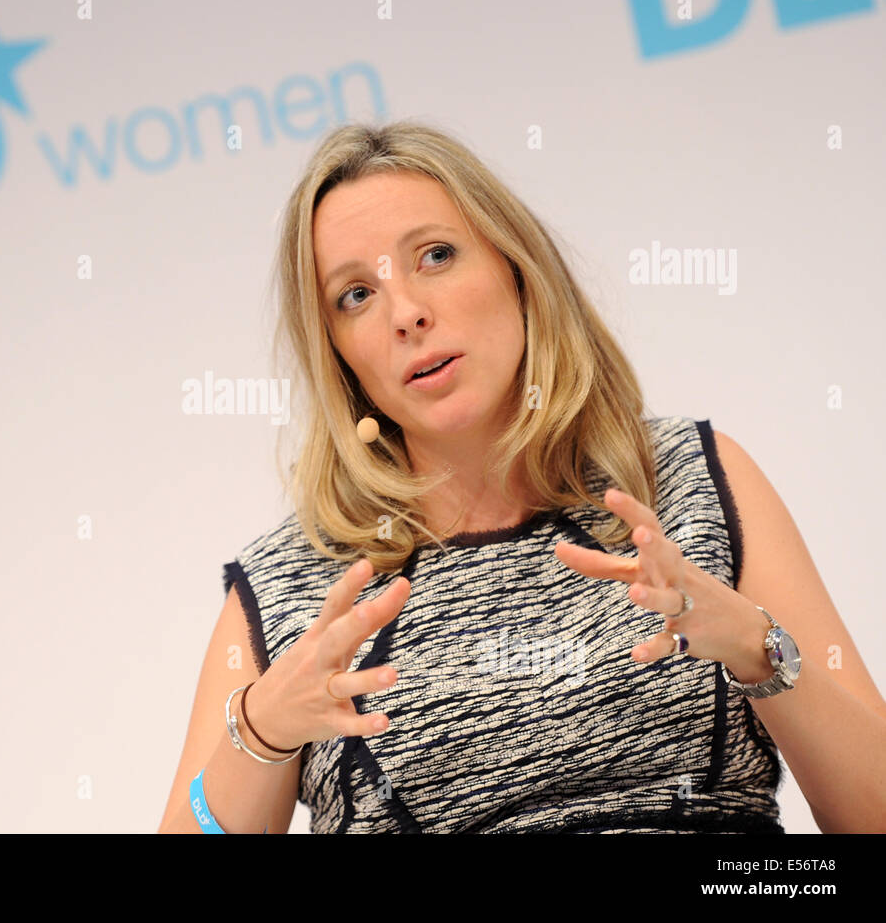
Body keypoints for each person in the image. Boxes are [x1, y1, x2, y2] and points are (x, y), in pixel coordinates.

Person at [157, 120, 886, 833]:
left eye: (435, 255)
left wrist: (756, 648)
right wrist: (261, 730)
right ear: (337, 354)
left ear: (517, 268)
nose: (406, 313)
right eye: (356, 295)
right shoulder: (295, 584)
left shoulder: (690, 481)